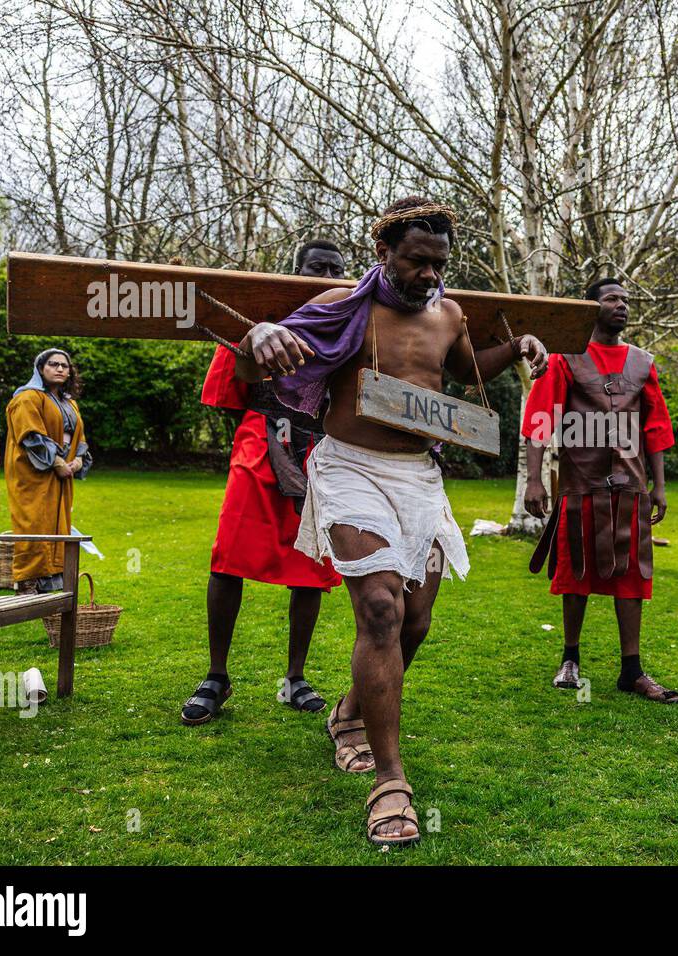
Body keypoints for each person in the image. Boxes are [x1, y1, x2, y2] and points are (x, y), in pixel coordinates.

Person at [236, 197, 548, 846]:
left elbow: (462, 372)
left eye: (439, 264)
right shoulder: (343, 307)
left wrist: (514, 346)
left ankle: (351, 713)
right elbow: (252, 371)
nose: (430, 276)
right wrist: (256, 335)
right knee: (379, 609)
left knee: (416, 620)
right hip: (350, 470)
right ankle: (391, 781)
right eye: (416, 262)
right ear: (383, 253)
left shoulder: (450, 313)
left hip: (419, 480)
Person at [181, 240, 348, 729]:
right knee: (229, 556)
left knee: (310, 567)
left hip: (318, 447)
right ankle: (216, 676)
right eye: (318, 267)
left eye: (338, 269)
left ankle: (295, 678)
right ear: (295, 271)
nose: (328, 275)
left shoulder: (346, 322)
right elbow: (229, 392)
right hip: (260, 439)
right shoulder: (255, 316)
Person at [522, 278, 678, 704]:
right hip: (580, 488)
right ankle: (570, 658)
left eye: (626, 300)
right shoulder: (565, 358)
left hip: (630, 489)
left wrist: (659, 487)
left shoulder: (643, 362)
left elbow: (656, 428)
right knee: (575, 574)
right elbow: (540, 418)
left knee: (633, 576)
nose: (622, 305)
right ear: (590, 307)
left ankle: (632, 670)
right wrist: (535, 479)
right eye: (612, 299)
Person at [4, 349, 92, 593]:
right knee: (35, 524)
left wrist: (76, 461)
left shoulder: (69, 402)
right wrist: (56, 463)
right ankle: (27, 581)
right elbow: (30, 435)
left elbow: (80, 438)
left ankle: (51, 581)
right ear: (40, 368)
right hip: (35, 475)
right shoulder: (27, 398)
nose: (60, 369)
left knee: (59, 525)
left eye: (65, 366)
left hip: (63, 476)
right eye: (53, 364)